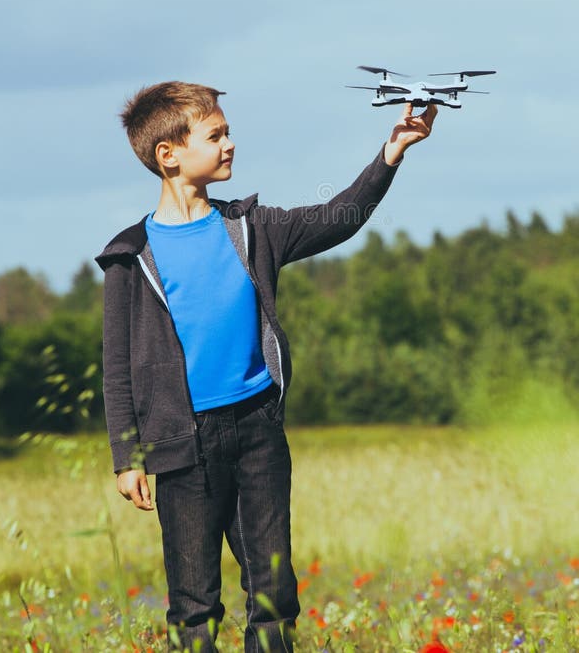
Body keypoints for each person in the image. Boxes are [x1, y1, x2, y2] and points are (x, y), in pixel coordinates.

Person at [95, 80, 437, 652]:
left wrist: (391, 153)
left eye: (228, 132)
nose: (230, 143)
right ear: (168, 154)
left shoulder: (253, 229)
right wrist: (125, 457)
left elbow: (338, 218)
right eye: (216, 134)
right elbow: (118, 368)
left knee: (273, 592)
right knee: (194, 604)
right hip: (184, 446)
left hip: (258, 433)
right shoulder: (129, 259)